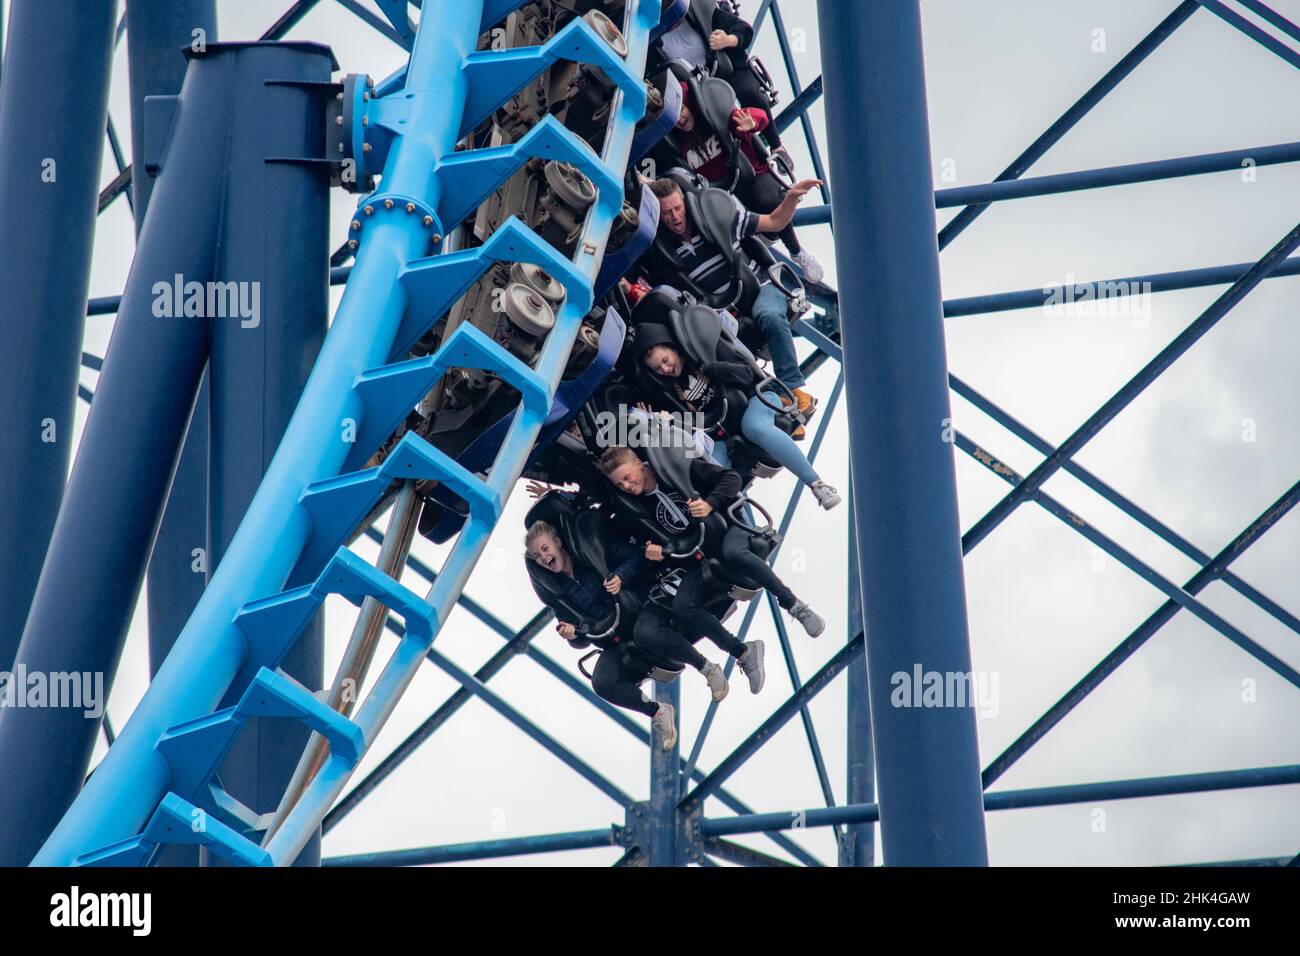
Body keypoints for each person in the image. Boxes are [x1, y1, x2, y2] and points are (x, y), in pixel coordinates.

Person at [598, 446, 830, 693]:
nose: (626, 485)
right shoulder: (635, 511)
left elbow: (731, 478)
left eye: (627, 477)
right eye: (619, 485)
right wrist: (653, 552)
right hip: (696, 558)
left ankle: (794, 605)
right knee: (682, 605)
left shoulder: (674, 470)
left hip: (726, 529)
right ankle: (743, 652)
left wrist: (710, 503)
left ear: (639, 463)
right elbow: (647, 547)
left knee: (734, 554)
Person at [524, 517, 728, 750]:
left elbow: (637, 557)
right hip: (614, 637)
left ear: (558, 543)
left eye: (545, 548)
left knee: (646, 632)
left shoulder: (591, 553)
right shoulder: (557, 590)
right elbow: (577, 636)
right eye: (537, 556)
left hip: (642, 610)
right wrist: (572, 634)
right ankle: (658, 712)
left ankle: (708, 668)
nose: (543, 557)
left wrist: (620, 576)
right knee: (602, 682)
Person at [641, 176, 822, 418]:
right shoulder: (665, 252)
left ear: (686, 203)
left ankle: (793, 386)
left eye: (677, 208)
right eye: (666, 213)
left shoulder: (718, 219)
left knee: (767, 314)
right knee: (720, 356)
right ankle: (775, 405)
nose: (674, 217)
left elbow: (774, 221)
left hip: (760, 289)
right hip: (721, 314)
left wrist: (790, 198)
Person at [637, 320, 840, 506]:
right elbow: (692, 425)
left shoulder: (700, 349)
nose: (665, 368)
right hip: (721, 433)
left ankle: (817, 484)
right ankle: (735, 525)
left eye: (665, 360)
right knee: (711, 472)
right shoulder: (671, 391)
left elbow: (747, 373)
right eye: (658, 368)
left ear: (672, 349)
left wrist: (717, 370)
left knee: (754, 426)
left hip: (755, 400)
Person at [651, 83, 823, 281]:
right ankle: (756, 273)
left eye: (681, 110)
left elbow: (760, 115)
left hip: (751, 179)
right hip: (720, 194)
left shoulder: (715, 116)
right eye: (674, 117)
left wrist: (751, 124)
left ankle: (797, 252)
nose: (680, 119)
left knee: (766, 198)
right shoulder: (678, 146)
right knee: (723, 228)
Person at [649, 1, 785, 152]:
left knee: (748, 92)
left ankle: (776, 145)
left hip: (730, 72)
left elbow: (744, 30)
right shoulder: (656, 42)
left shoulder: (699, 12)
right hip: (700, 91)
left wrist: (728, 39)